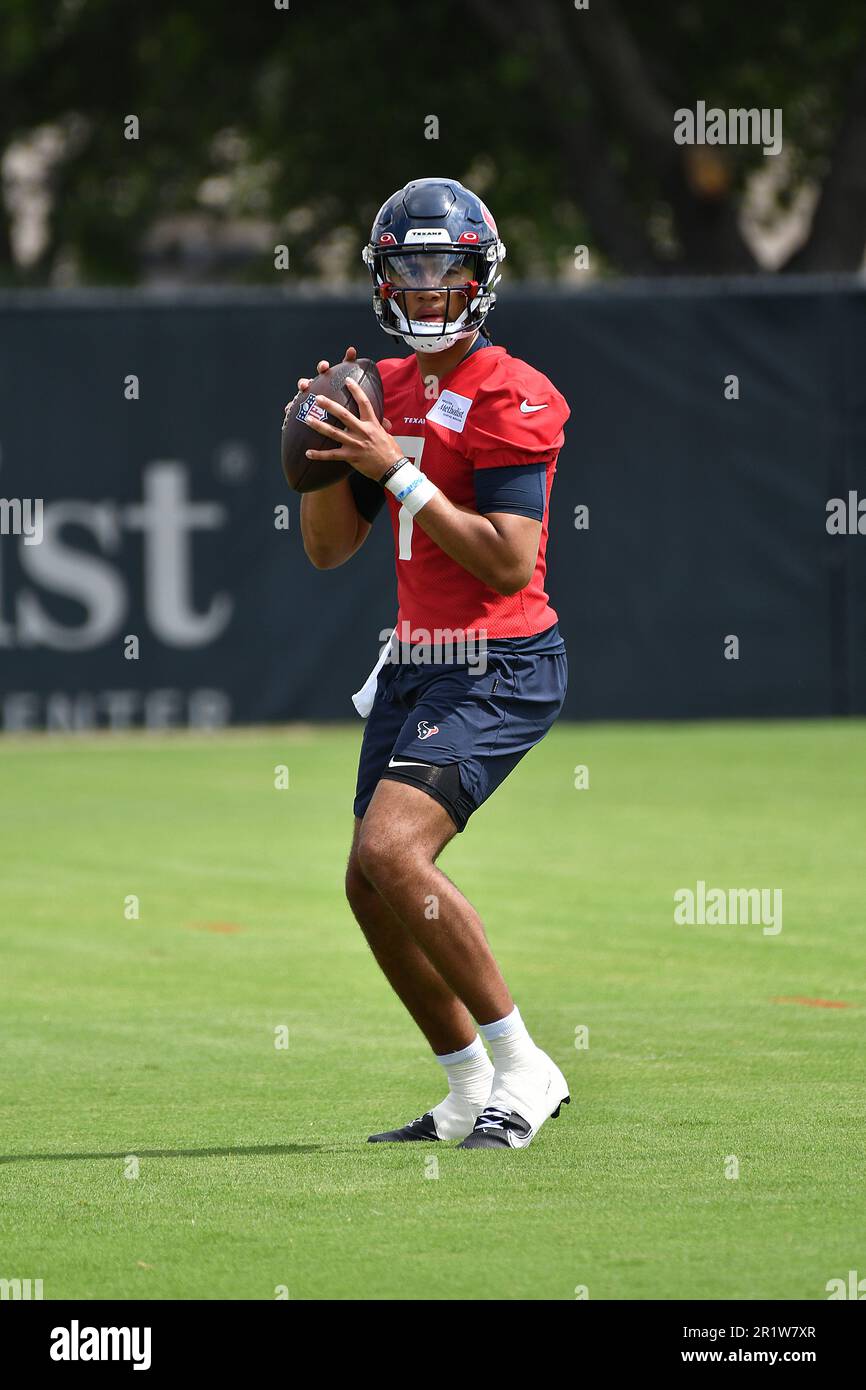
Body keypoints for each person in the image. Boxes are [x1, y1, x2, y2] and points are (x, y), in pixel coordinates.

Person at [296, 178, 570, 1149]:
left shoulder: (512, 390)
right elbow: (328, 551)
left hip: (498, 659)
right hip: (417, 660)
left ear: (477, 278)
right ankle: (464, 1086)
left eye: (441, 269)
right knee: (367, 886)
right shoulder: (383, 389)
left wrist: (390, 467)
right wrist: (322, 454)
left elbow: (503, 557)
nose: (422, 290)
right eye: (405, 271)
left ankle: (525, 1064)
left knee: (388, 852)